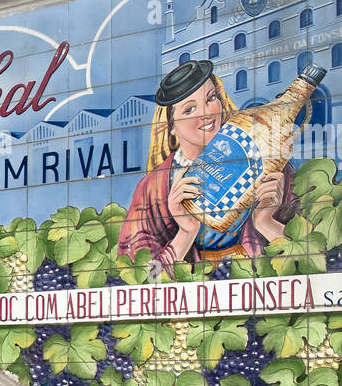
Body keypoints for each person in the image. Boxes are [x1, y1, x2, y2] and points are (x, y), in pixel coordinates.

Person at [118, 59, 298, 273]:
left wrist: (265, 222)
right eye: (189, 109)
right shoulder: (152, 188)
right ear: (171, 126)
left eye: (211, 98)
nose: (206, 114)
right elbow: (144, 276)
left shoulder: (268, 165)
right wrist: (186, 232)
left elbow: (310, 257)